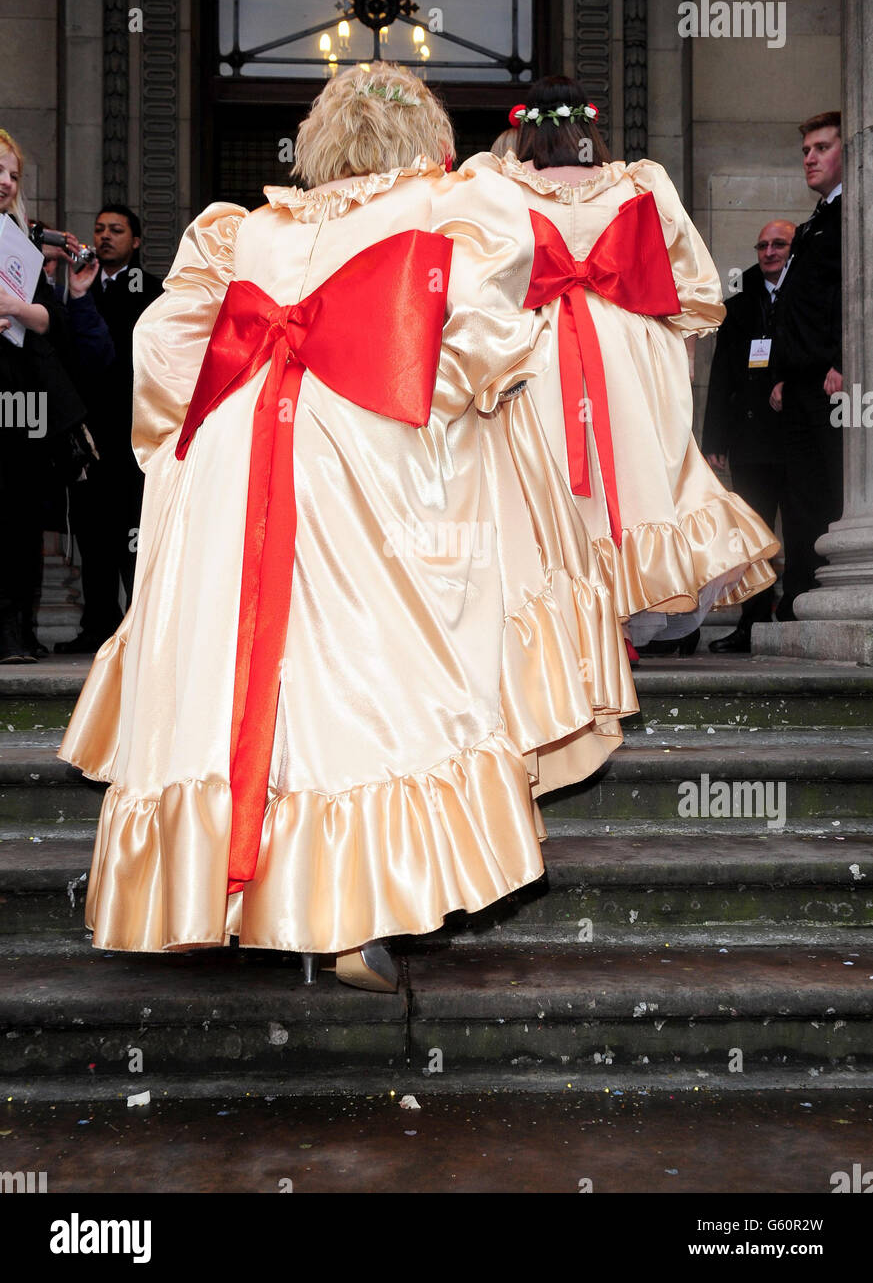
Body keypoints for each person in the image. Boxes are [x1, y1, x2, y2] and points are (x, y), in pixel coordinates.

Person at [58, 64, 637, 990]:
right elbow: (484, 345)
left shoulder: (243, 229)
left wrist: (184, 439)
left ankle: (206, 893)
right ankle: (350, 913)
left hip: (239, 450)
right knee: (366, 665)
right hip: (366, 446)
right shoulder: (449, 208)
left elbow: (160, 349)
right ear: (424, 136)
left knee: (236, 661)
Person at [465, 77, 780, 657]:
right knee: (629, 478)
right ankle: (620, 614)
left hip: (535, 343)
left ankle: (561, 627)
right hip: (622, 350)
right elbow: (693, 290)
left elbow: (470, 281)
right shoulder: (639, 184)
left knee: (547, 473)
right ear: (589, 129)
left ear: (525, 129)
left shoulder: (493, 184)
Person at [54, 205, 163, 652]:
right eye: (98, 230)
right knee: (90, 528)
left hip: (134, 431)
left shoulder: (155, 292)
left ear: (135, 241)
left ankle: (142, 629)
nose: (104, 237)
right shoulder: (73, 292)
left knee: (135, 533)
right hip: (88, 429)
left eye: (116, 230)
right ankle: (97, 625)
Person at [0, 128, 87, 663]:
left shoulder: (23, 240)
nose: (6, 182)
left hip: (19, 386)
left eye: (13, 174)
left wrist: (12, 308)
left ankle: (18, 627)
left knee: (19, 507)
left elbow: (50, 318)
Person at [703, 220, 794, 651]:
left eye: (779, 244)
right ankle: (752, 622)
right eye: (763, 245)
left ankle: (793, 613)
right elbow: (720, 376)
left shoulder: (804, 292)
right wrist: (714, 440)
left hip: (798, 435)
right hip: (750, 437)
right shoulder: (740, 302)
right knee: (753, 532)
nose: (769, 251)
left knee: (799, 525)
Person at [768, 111, 843, 618]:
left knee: (824, 489)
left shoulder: (851, 214)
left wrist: (840, 360)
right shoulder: (817, 218)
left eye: (821, 148)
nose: (810, 158)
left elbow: (851, 294)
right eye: (805, 150)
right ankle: (797, 590)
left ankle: (817, 589)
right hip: (796, 383)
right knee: (798, 497)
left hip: (827, 380)